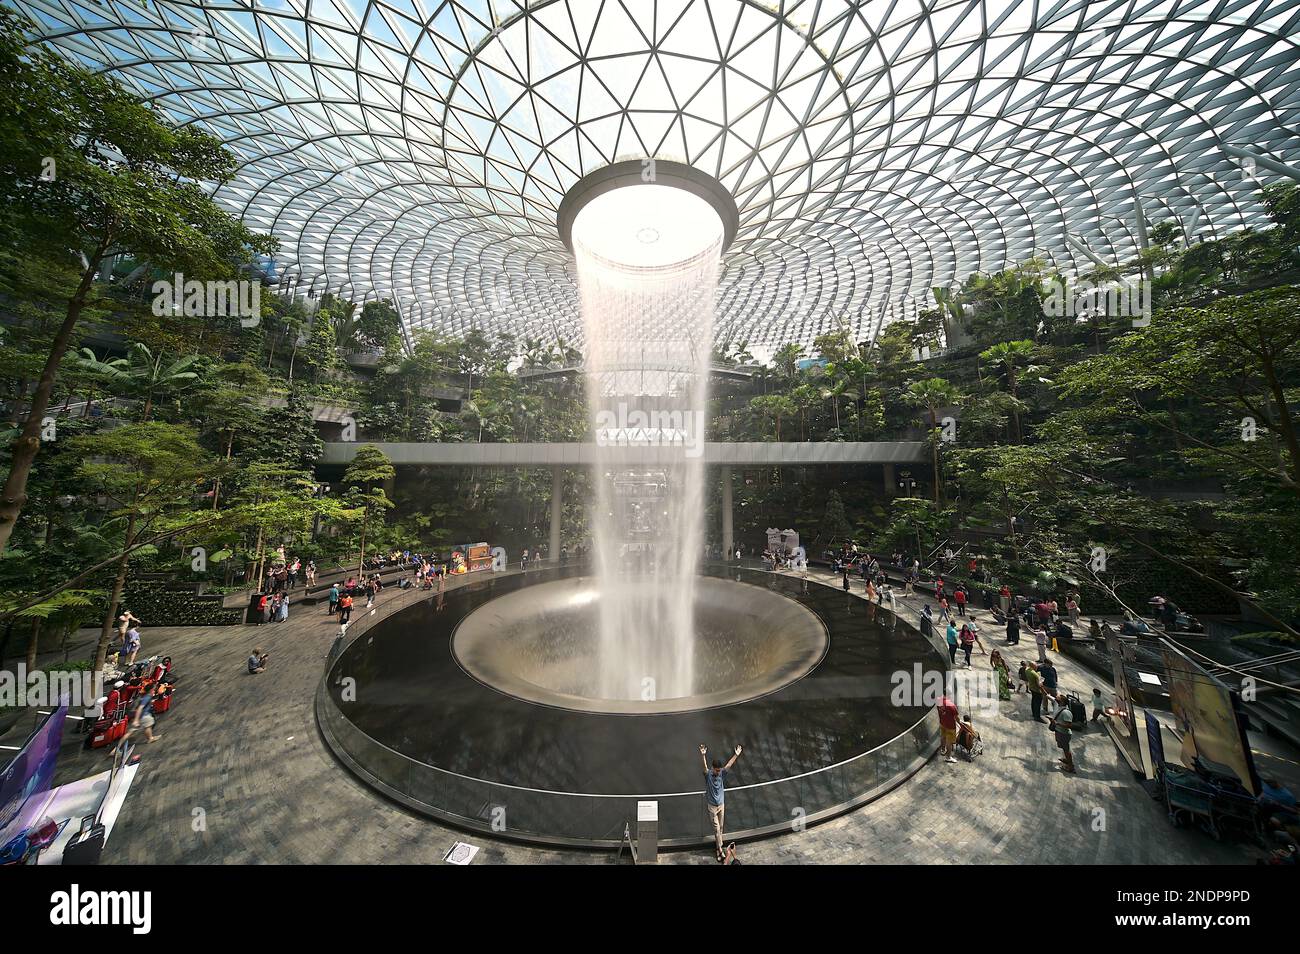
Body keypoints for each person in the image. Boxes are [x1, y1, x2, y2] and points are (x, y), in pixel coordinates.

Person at [699, 743, 742, 862]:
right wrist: (703, 755)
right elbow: (704, 767)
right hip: (712, 806)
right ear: (713, 768)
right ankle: (721, 850)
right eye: (717, 770)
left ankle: (717, 849)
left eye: (719, 770)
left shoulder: (722, 773)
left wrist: (736, 755)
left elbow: (729, 764)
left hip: (721, 805)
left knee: (720, 828)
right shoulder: (708, 775)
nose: (718, 772)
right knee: (717, 829)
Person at [1050, 694, 1075, 773]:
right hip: (1059, 732)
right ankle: (1067, 760)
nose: (1056, 697)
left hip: (1064, 734)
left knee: (1066, 750)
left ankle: (1070, 766)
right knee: (1065, 749)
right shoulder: (1059, 707)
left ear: (1062, 701)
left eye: (1058, 697)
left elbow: (1069, 725)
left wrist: (1056, 723)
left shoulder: (1066, 712)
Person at [938, 694, 960, 763]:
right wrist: (960, 723)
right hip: (950, 726)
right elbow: (957, 718)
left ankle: (942, 750)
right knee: (949, 742)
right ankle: (948, 757)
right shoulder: (951, 705)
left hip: (942, 723)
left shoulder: (938, 701)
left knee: (942, 736)